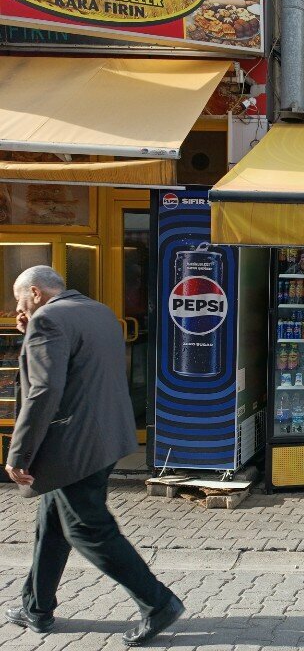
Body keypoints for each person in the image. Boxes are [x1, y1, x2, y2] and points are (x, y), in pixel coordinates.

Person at [4, 266, 184, 646]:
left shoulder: (48, 322)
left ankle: (158, 603)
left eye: (19, 298)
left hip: (72, 446)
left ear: (35, 293)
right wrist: (32, 335)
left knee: (87, 529)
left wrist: (19, 452)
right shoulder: (97, 311)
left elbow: (43, 391)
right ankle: (36, 607)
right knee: (52, 523)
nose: (16, 307)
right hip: (105, 437)